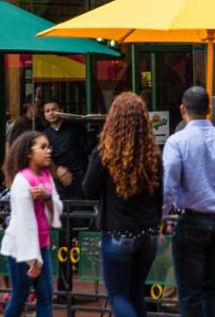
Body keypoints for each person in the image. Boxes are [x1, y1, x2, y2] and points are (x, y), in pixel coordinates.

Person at [162, 86, 215, 317]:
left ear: (182, 109)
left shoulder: (177, 142)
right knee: (210, 288)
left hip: (191, 220)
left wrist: (159, 217)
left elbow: (168, 186)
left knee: (189, 293)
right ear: (209, 109)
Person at [82, 93, 162, 317]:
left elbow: (88, 189)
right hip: (148, 232)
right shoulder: (152, 154)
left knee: (118, 295)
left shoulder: (105, 153)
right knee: (136, 293)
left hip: (117, 231)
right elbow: (160, 196)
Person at [0, 131, 63, 317]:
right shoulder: (22, 180)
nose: (48, 151)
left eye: (48, 146)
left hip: (40, 245)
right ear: (28, 153)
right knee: (20, 296)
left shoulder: (47, 176)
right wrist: (32, 258)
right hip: (21, 248)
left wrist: (47, 197)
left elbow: (57, 205)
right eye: (42, 147)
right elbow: (24, 222)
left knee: (46, 296)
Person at [43, 99, 92, 200]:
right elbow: (45, 159)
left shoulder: (76, 128)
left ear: (61, 110)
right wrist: (57, 169)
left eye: (54, 109)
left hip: (79, 177)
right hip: (59, 179)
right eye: (47, 111)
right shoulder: (44, 135)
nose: (51, 113)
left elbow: (88, 149)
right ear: (44, 115)